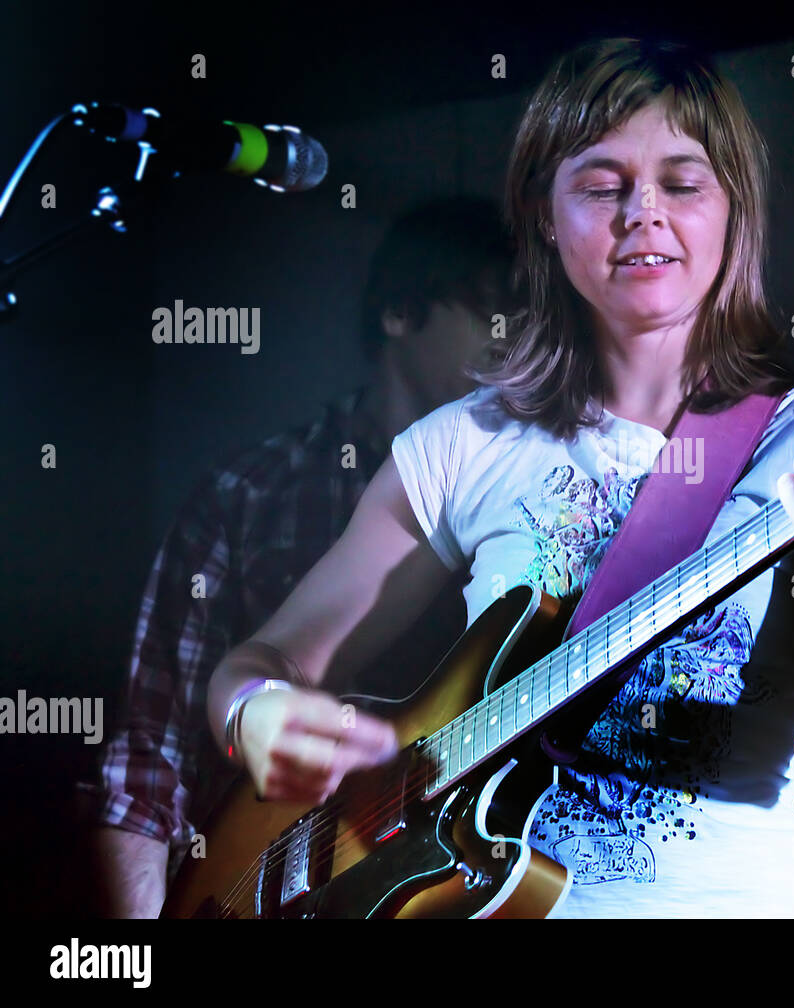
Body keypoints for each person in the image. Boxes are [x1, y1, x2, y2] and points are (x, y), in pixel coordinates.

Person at [207, 37, 794, 918]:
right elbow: (263, 662)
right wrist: (256, 712)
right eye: (601, 186)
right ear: (546, 215)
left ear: (733, 212)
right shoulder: (459, 445)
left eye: (683, 183)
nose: (643, 215)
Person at [85, 198, 514, 917]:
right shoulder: (249, 494)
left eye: (530, 317)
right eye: (491, 311)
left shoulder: (527, 486)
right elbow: (147, 762)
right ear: (401, 314)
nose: (514, 340)